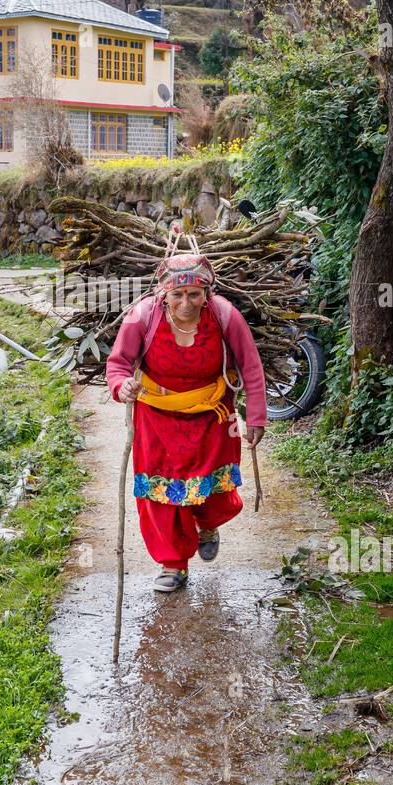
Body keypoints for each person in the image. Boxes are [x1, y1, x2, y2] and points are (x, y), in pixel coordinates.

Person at [106, 252, 267, 592]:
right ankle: (172, 563)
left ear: (208, 293)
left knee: (214, 490)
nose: (186, 302)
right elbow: (118, 363)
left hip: (212, 413)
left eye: (194, 294)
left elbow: (251, 365)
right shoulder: (141, 317)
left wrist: (256, 416)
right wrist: (123, 386)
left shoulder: (225, 315)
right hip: (156, 417)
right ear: (162, 293)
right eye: (177, 294)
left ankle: (207, 525)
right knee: (160, 493)